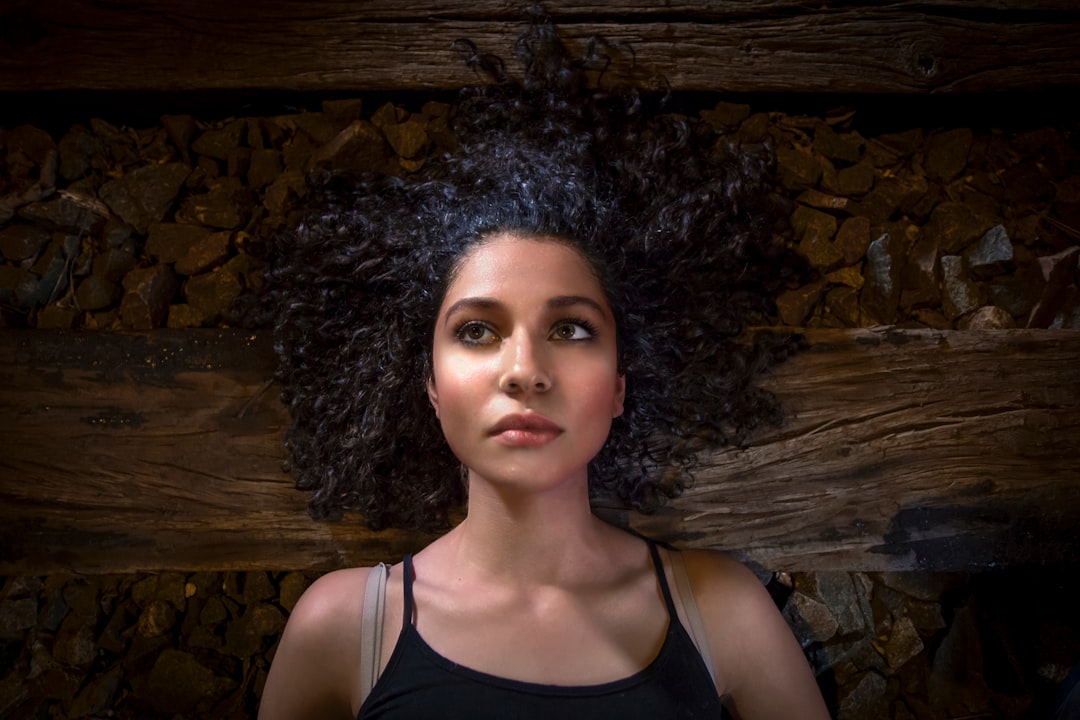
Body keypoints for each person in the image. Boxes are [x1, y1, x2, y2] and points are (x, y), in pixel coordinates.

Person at [259, 13, 830, 719]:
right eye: (476, 330)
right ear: (430, 387)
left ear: (623, 384)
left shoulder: (722, 611)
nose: (525, 369)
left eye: (570, 328)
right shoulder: (342, 627)